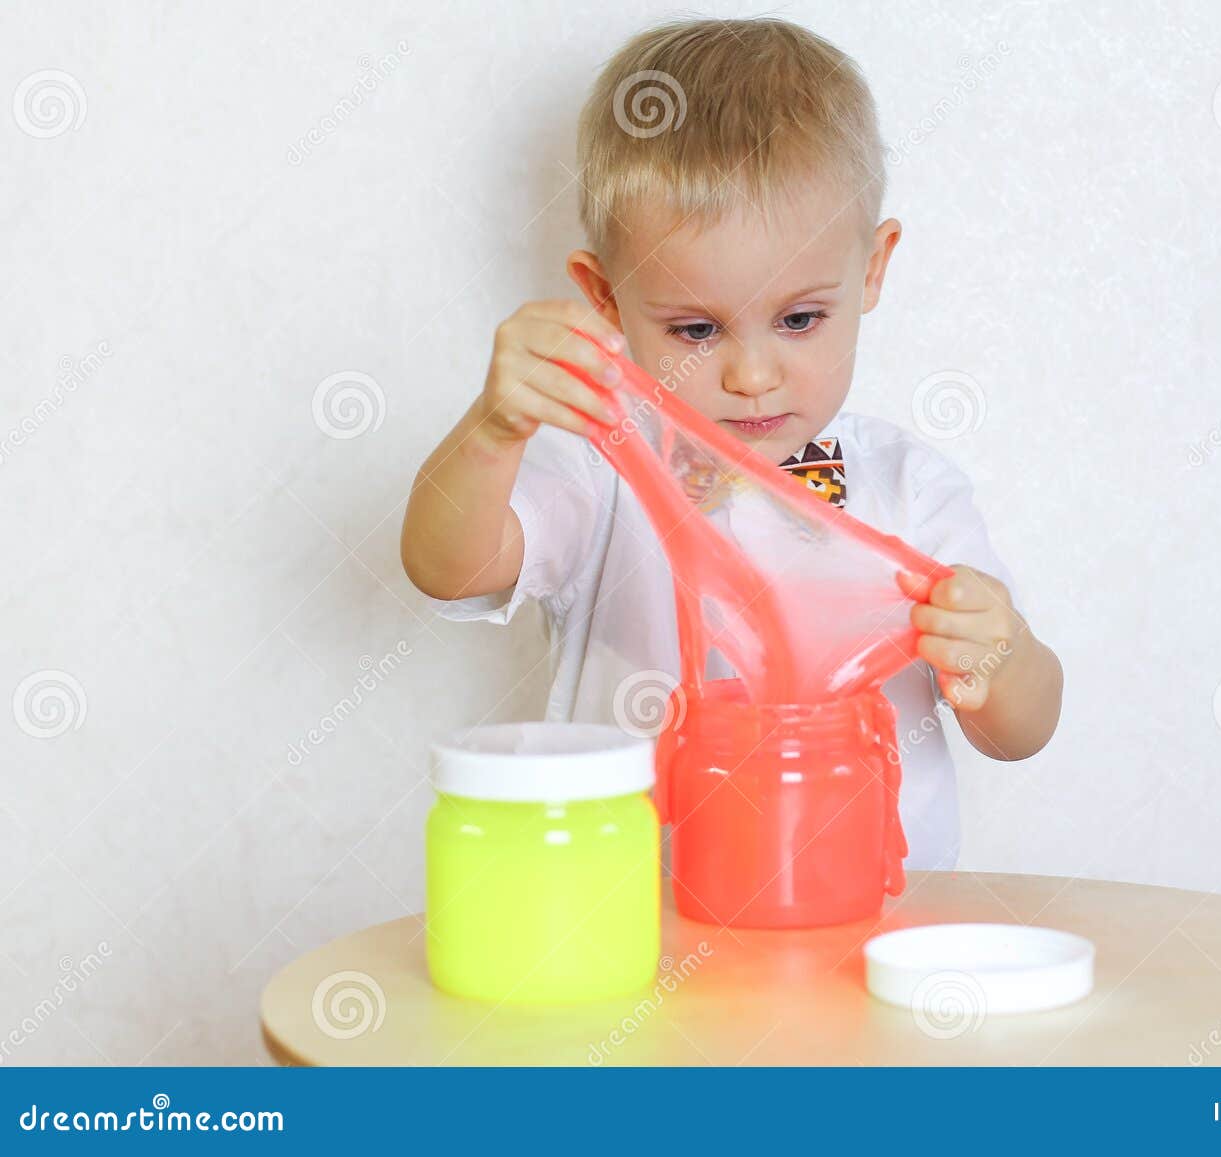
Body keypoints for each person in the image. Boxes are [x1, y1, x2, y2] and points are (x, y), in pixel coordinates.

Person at [401, 17, 1063, 870]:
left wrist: (998, 656)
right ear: (606, 298)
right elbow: (447, 566)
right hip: (638, 941)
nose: (754, 374)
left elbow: (1024, 731)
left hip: (867, 946)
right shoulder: (603, 465)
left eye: (799, 319)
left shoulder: (909, 488)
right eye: (696, 328)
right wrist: (494, 428)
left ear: (872, 269)